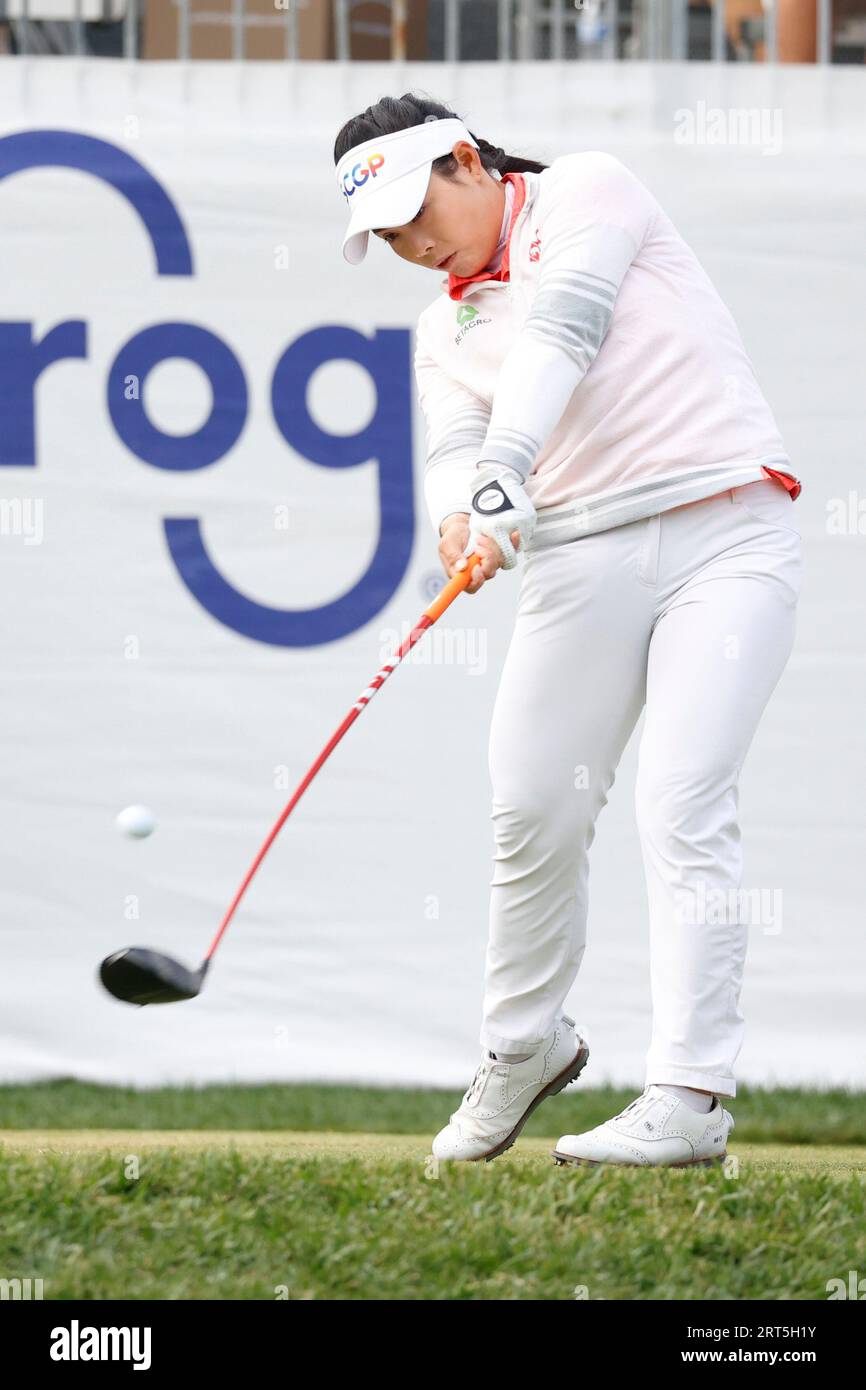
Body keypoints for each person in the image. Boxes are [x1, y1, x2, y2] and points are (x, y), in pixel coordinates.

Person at [333, 92, 803, 1167]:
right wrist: (465, 518)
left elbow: (566, 328)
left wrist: (504, 470)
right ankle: (523, 1046)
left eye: (419, 212)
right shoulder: (436, 326)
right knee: (531, 807)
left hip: (725, 525)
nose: (414, 244)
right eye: (389, 236)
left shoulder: (586, 187)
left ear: (465, 159)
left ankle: (686, 1097)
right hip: (580, 557)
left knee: (679, 800)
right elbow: (455, 451)